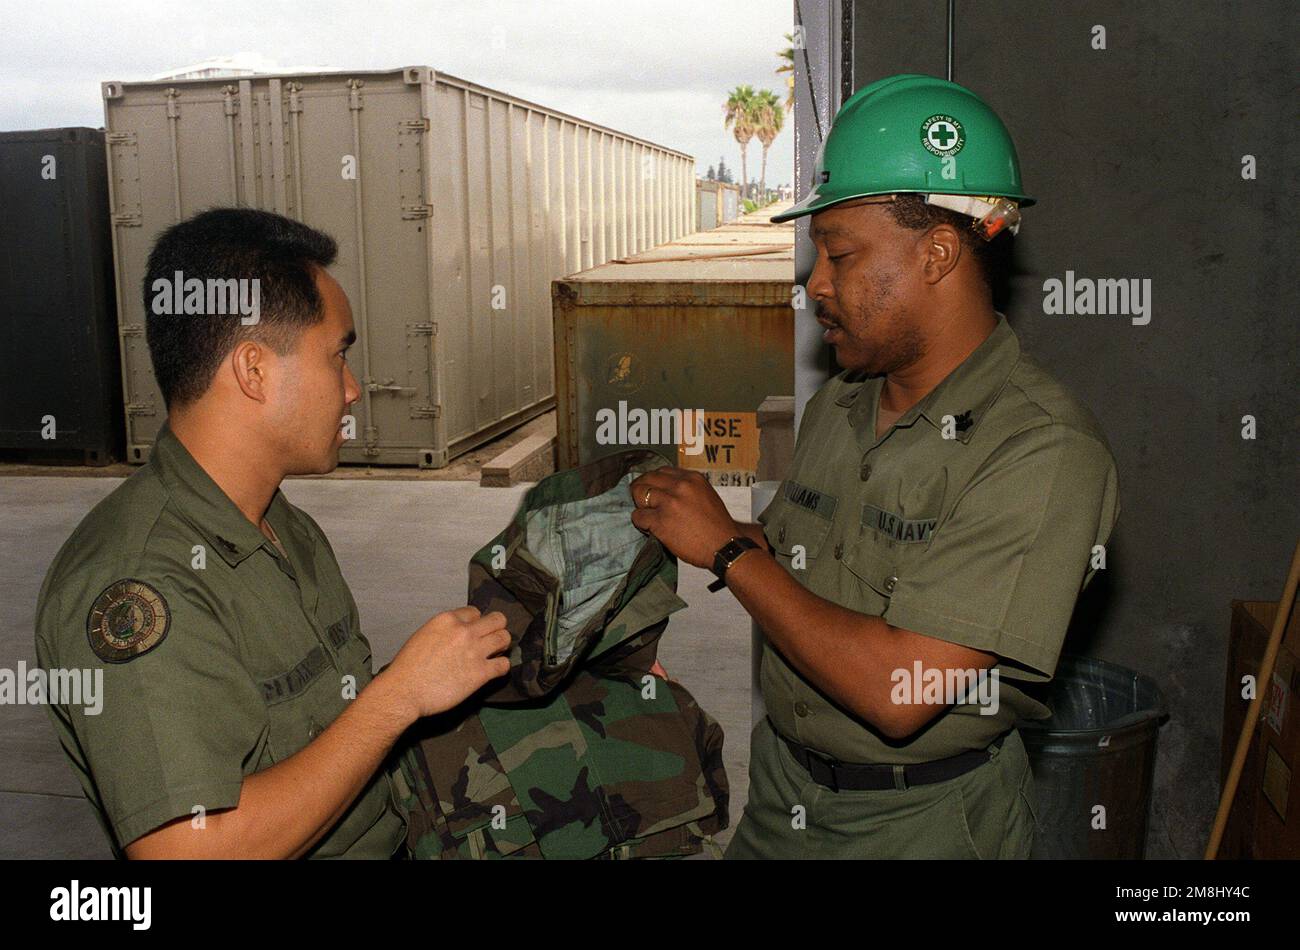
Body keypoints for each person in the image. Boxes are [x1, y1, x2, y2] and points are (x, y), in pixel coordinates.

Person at [629, 74, 1119, 858]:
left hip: (919, 825)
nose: (815, 283)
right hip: (785, 793)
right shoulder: (842, 406)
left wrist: (725, 549)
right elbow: (802, 576)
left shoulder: (1044, 453)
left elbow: (901, 692)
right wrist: (693, 532)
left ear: (937, 253)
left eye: (840, 254)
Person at [34, 208, 511, 859]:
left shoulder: (284, 525)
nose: (350, 390)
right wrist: (398, 697)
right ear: (253, 370)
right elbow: (192, 852)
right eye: (337, 355)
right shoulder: (139, 584)